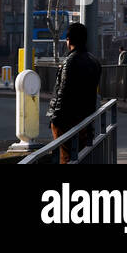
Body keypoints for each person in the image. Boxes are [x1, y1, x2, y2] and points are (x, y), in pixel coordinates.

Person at [47, 23, 102, 164]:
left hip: (66, 120)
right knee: (81, 155)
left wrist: (55, 119)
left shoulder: (70, 61)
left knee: (65, 157)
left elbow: (63, 91)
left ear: (69, 40)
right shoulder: (94, 61)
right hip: (85, 118)